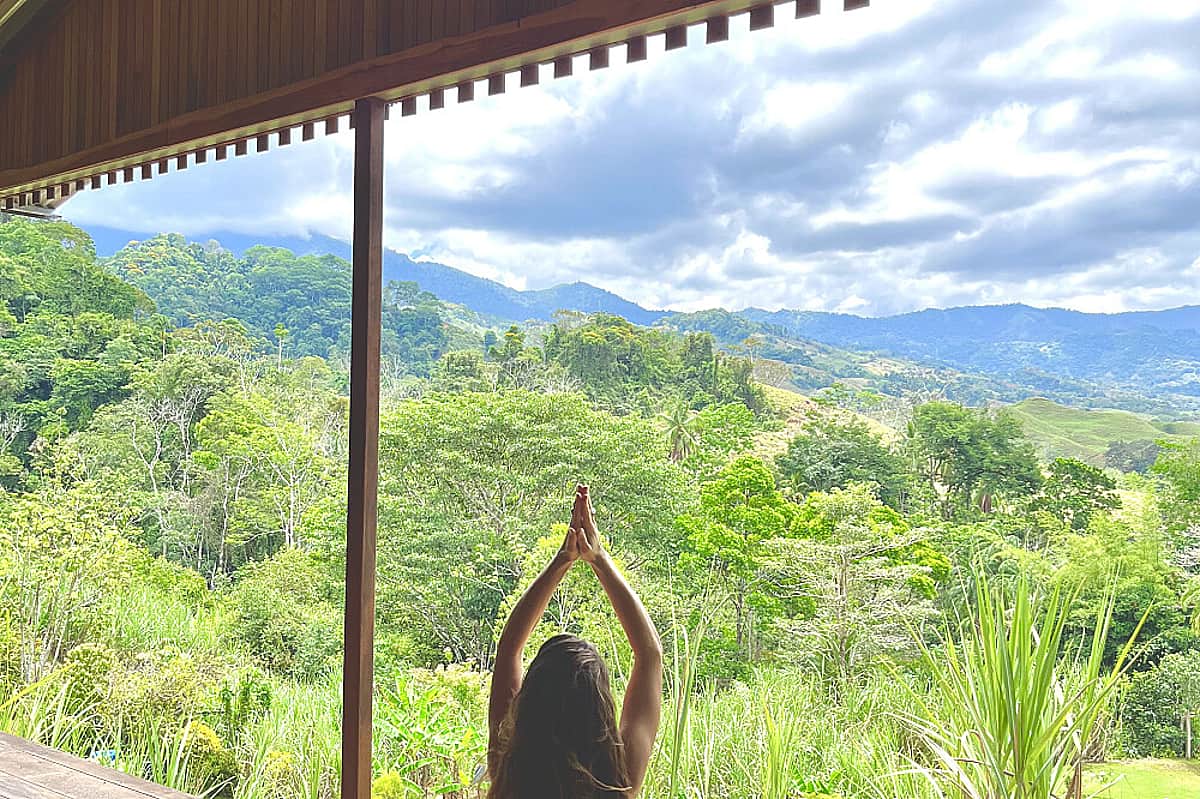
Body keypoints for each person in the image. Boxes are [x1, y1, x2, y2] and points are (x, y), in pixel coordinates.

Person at [486, 484, 663, 799]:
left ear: (532, 699)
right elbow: (650, 654)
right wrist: (599, 558)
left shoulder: (510, 770)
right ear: (600, 707)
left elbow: (509, 650)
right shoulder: (619, 779)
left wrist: (562, 560)